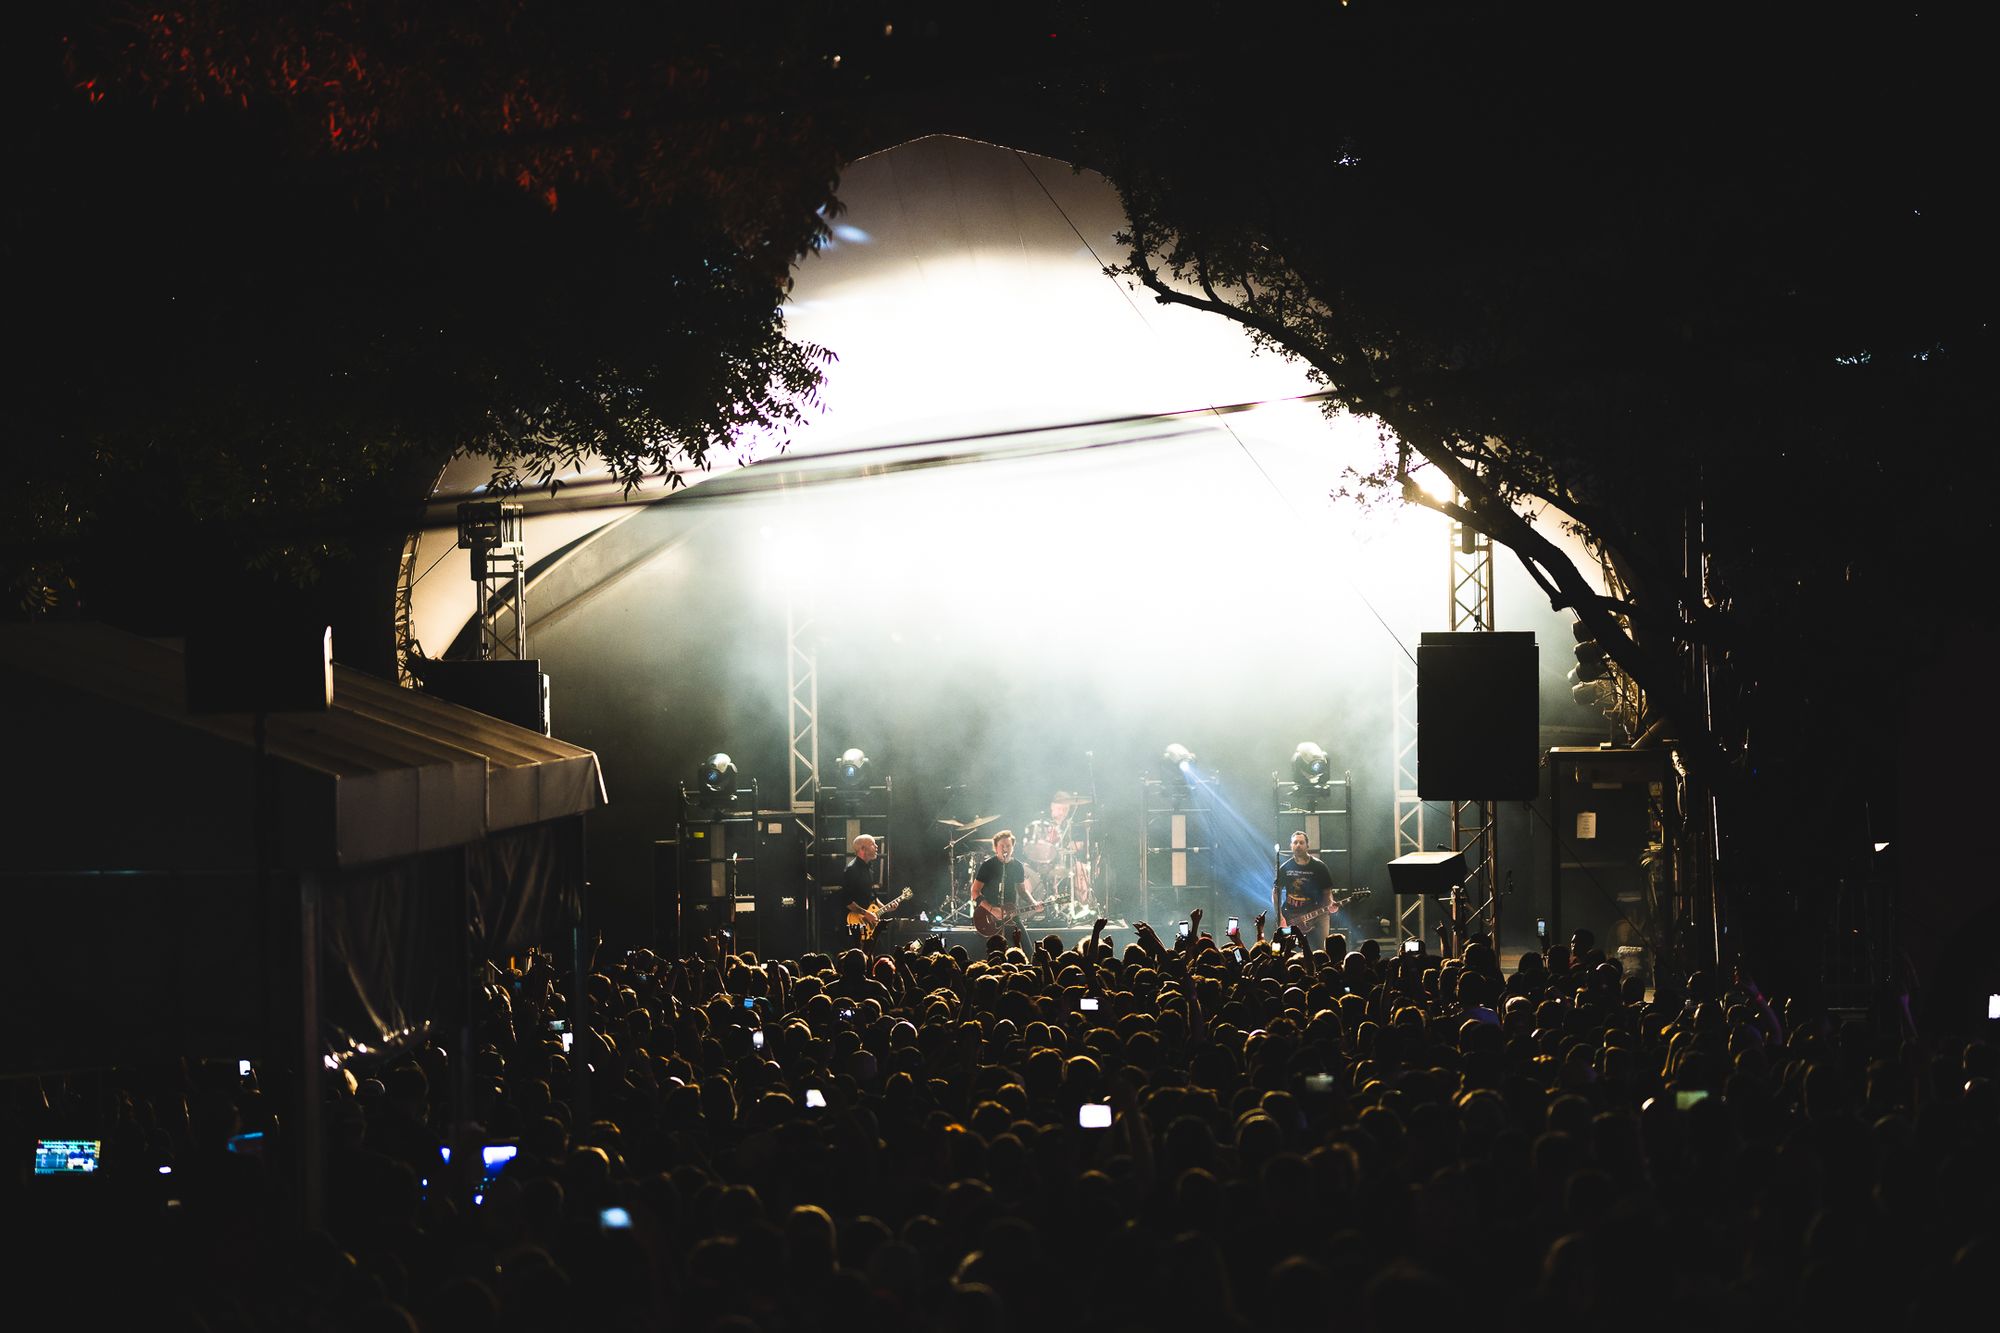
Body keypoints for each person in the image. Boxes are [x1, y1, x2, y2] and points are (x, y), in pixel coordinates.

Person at [1272, 830, 1337, 952]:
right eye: (1295, 842)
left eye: (1301, 842)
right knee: (1284, 949)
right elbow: (1276, 893)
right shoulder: (1285, 868)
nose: (1298, 845)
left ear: (1307, 845)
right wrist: (1280, 916)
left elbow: (1327, 893)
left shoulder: (1319, 867)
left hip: (1317, 915)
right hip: (1291, 916)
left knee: (1321, 949)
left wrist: (1330, 905)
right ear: (1291, 846)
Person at [971, 829, 1039, 936]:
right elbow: (975, 891)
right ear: (995, 848)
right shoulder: (988, 865)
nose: (1005, 849)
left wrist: (1034, 903)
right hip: (989, 914)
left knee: (1026, 949)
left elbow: (1022, 891)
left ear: (1013, 848)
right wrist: (992, 910)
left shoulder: (1017, 866)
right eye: (1002, 846)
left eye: (1008, 846)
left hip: (1011, 913)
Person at [830, 834, 882, 951]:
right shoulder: (851, 870)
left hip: (866, 922)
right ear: (862, 849)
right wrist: (866, 913)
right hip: (853, 923)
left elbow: (870, 895)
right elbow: (847, 901)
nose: (876, 847)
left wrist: (884, 907)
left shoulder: (869, 868)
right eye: (873, 844)